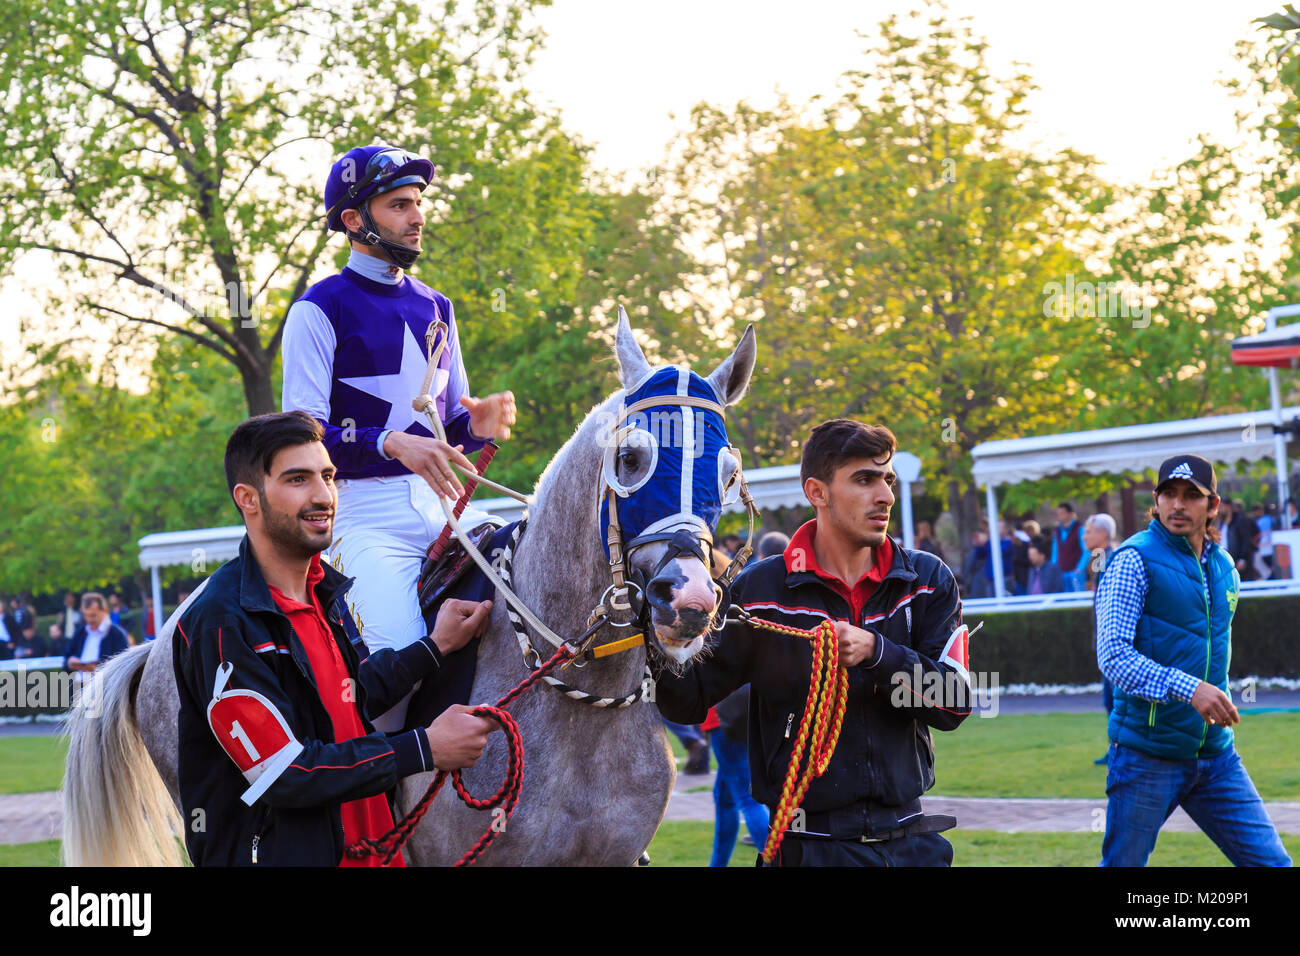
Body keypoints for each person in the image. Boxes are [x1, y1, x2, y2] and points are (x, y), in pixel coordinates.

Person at [174, 411, 499, 867]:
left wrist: (436, 645)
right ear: (248, 498)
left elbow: (351, 696)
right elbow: (284, 773)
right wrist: (424, 747)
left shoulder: (326, 591)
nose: (323, 495)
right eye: (297, 479)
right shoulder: (220, 622)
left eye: (327, 476)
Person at [654, 419, 971, 867]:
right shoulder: (760, 591)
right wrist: (663, 635)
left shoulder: (926, 580)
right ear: (817, 493)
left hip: (913, 843)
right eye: (864, 479)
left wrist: (877, 653)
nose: (885, 496)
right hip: (807, 847)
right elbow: (687, 700)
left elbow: (953, 705)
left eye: (887, 479)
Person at [281, 143, 516, 730]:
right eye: (399, 205)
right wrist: (390, 443)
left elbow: (449, 428)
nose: (417, 217)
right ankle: (373, 806)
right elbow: (302, 437)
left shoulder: (438, 307)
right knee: (399, 660)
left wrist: (478, 423)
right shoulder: (318, 309)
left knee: (530, 615)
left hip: (445, 511)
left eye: (418, 203)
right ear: (355, 221)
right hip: (363, 517)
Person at [1095, 454, 1289, 867]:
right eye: (1169, 494)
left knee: (1272, 864)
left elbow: (1207, 648)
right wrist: (1190, 689)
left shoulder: (1225, 569)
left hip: (1215, 756)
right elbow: (1113, 657)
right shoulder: (1133, 560)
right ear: (1157, 500)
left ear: (1213, 505)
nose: (1178, 505)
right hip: (1146, 754)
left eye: (1191, 496)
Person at [63, 593, 131, 677]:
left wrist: (98, 668)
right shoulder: (79, 633)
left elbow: (124, 665)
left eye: (93, 615)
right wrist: (69, 662)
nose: (89, 620)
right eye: (85, 615)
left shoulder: (117, 634)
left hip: (104, 686)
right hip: (78, 687)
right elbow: (66, 659)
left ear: (105, 611)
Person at [1051, 502, 1089, 592]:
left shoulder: (1079, 529)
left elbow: (1086, 550)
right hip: (1061, 572)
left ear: (1070, 514)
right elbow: (1055, 552)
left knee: (1079, 600)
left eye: (1062, 513)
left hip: (1075, 572)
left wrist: (1080, 569)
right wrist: (1054, 569)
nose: (1059, 516)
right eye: (1058, 514)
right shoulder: (1057, 531)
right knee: (1065, 601)